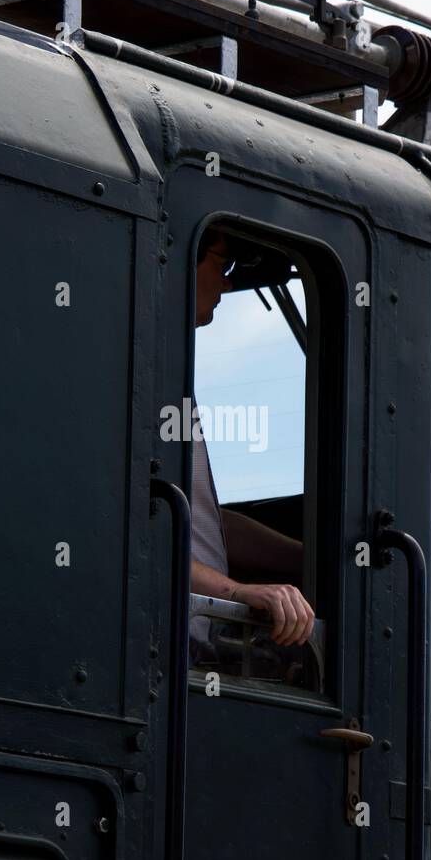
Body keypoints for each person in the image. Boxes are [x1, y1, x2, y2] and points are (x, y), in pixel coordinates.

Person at [191, 231, 315, 651]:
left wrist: (308, 560)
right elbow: (126, 529)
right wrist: (236, 593)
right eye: (221, 264)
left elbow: (204, 527)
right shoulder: (129, 375)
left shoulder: (166, 379)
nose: (227, 282)